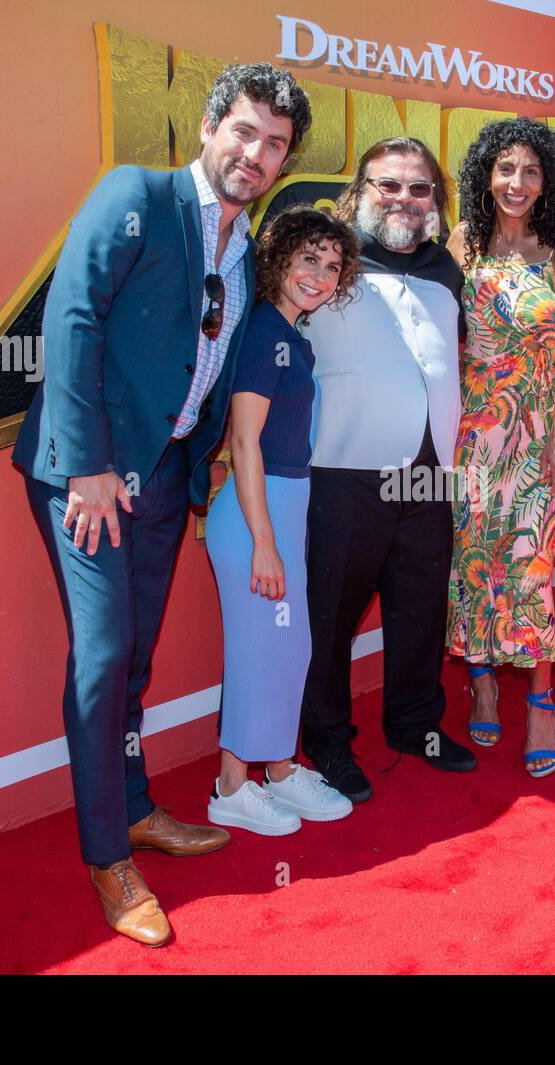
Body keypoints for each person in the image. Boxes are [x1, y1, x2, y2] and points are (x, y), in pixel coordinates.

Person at [11, 64, 311, 946]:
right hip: (91, 477)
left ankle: (137, 806)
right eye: (247, 132)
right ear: (214, 124)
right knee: (104, 656)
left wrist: (199, 465)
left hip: (164, 481)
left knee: (135, 655)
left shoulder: (244, 248)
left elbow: (202, 363)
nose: (257, 154)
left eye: (276, 145)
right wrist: (90, 467)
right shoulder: (133, 192)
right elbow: (73, 317)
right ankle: (108, 854)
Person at [297, 137, 477, 803]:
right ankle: (326, 740)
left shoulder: (445, 271)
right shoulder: (325, 261)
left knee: (421, 608)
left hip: (431, 473)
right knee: (330, 618)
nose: (404, 198)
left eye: (419, 187)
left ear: (435, 201)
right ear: (359, 191)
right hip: (343, 471)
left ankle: (415, 726)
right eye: (388, 185)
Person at [204, 207, 362, 833]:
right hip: (254, 514)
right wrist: (264, 544)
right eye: (308, 260)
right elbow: (244, 443)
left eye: (331, 266)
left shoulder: (292, 335)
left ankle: (277, 767)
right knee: (258, 650)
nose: (319, 276)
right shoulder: (267, 333)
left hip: (283, 508)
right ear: (278, 260)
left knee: (288, 647)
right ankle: (229, 788)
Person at [443, 118, 555, 778]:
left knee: (531, 570)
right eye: (506, 168)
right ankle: (479, 680)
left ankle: (541, 700)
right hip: (473, 436)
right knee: (473, 562)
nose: (517, 182)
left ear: (546, 180)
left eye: (530, 170)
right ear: (486, 174)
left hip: (535, 440)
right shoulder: (463, 244)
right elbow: (442, 346)